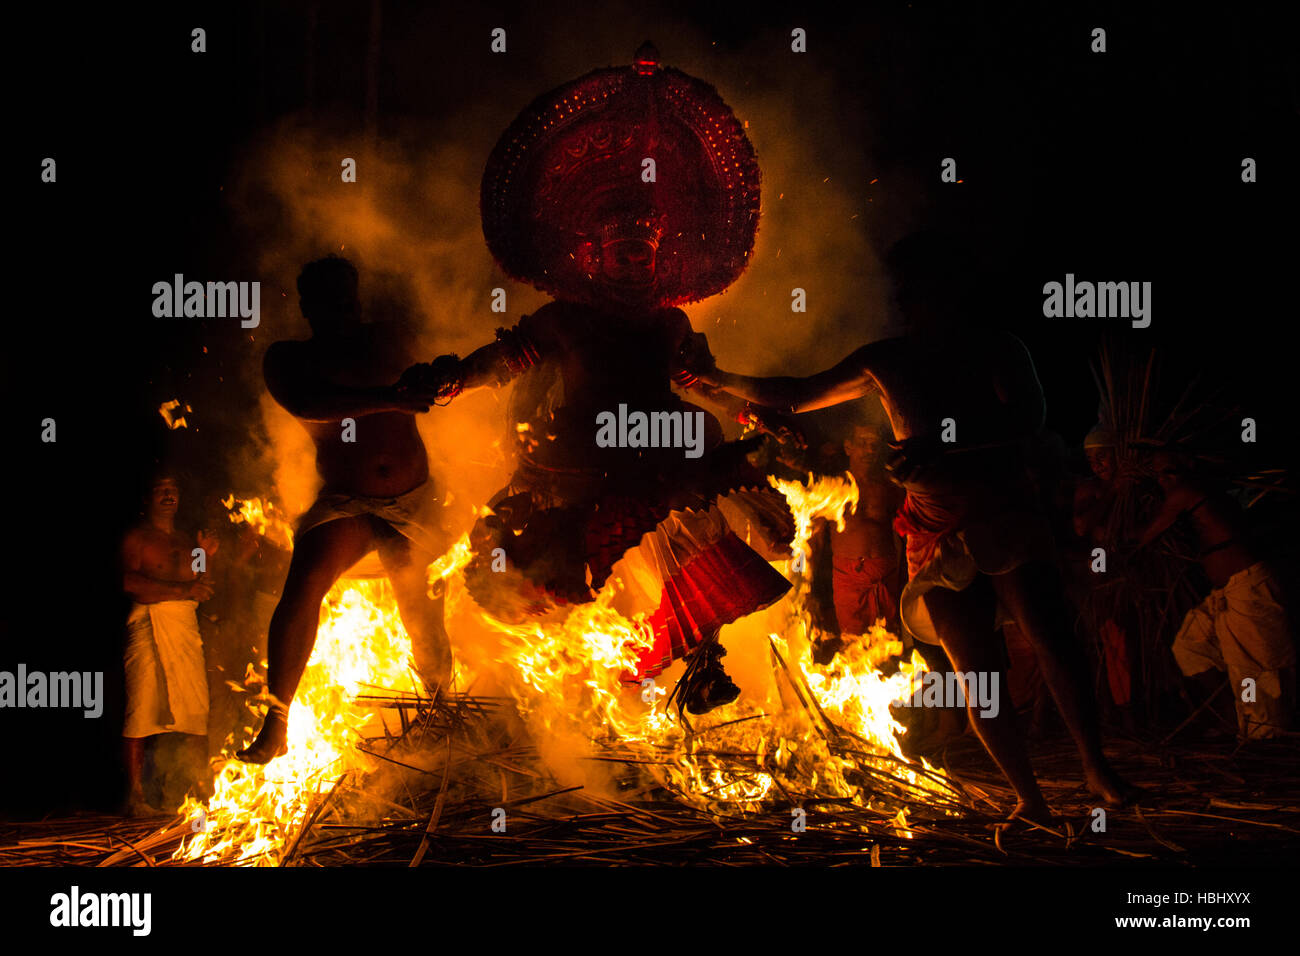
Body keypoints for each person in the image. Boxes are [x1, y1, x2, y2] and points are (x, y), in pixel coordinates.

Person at [679, 232, 1134, 819]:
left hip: (1005, 518)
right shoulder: (887, 361)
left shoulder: (998, 348)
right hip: (931, 533)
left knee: (1051, 642)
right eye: (913, 296)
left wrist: (944, 454)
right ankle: (1030, 800)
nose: (921, 307)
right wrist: (719, 377)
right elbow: (794, 395)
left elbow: (1031, 419)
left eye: (935, 293)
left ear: (956, 296)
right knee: (978, 673)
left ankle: (1096, 767)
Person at [400, 43, 797, 716]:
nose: (636, 261)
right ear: (594, 254)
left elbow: (702, 380)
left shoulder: (670, 323)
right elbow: (508, 359)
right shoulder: (567, 319)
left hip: (659, 456)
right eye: (623, 251)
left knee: (688, 543)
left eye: (646, 251)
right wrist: (453, 382)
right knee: (558, 586)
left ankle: (699, 664)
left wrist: (758, 411)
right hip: (574, 468)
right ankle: (566, 713)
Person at [237, 256, 453, 763]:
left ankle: (445, 709)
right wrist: (390, 398)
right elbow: (312, 404)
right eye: (334, 301)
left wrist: (448, 376)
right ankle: (277, 723)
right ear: (310, 307)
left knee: (418, 602)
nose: (347, 309)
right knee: (304, 583)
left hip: (413, 497)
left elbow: (436, 374)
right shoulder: (290, 359)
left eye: (351, 298)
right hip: (347, 501)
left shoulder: (387, 338)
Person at [1138, 449, 1295, 739]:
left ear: (1188, 463)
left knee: (1253, 666)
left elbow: (1143, 539)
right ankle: (1234, 719)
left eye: (1169, 471)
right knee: (1190, 647)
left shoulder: (1187, 490)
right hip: (1225, 593)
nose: (1164, 479)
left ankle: (1265, 734)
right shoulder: (1194, 490)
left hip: (1248, 587)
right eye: (1158, 475)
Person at [121, 474, 217, 815]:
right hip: (148, 624)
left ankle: (203, 792)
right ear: (148, 497)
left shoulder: (187, 541)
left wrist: (204, 556)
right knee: (141, 709)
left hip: (184, 628)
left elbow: (201, 584)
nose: (168, 495)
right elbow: (130, 582)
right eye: (161, 489)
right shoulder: (137, 538)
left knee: (195, 709)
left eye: (173, 490)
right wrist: (182, 592)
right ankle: (135, 796)